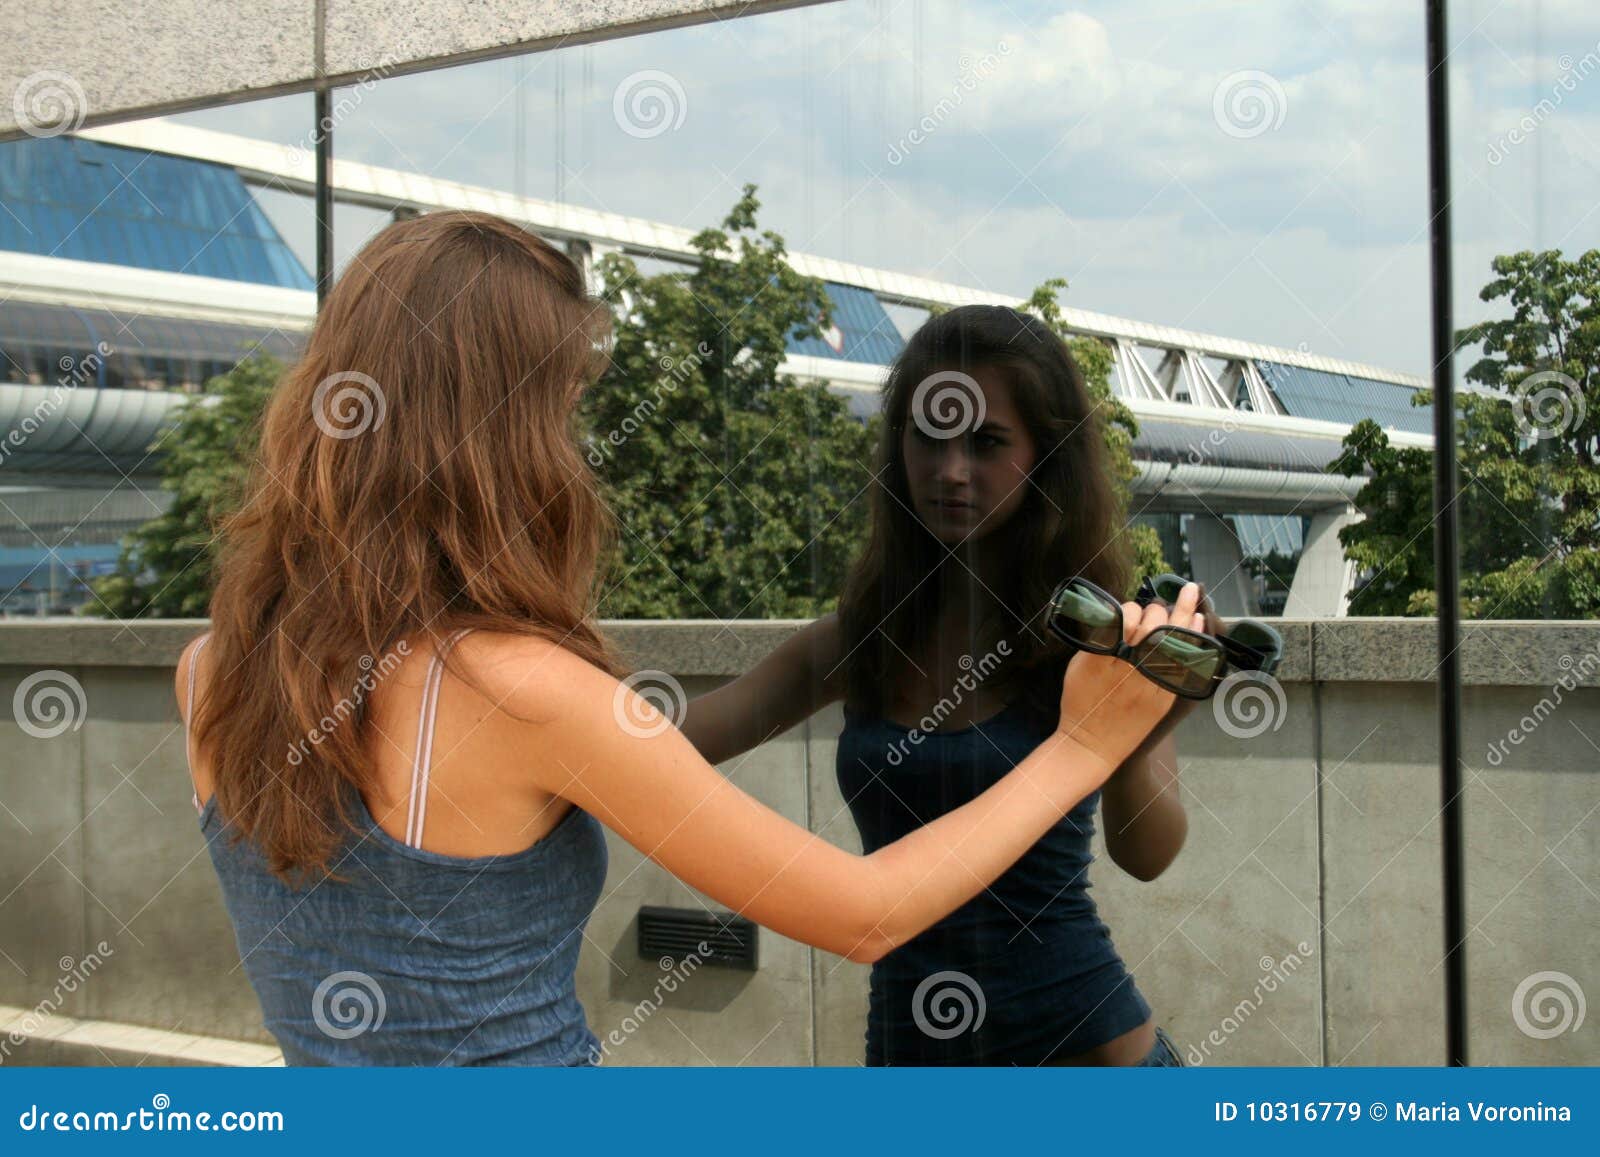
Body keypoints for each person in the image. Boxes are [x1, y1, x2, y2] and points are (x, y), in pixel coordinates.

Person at [176, 212, 1191, 1066]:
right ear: (500, 429)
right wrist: (1086, 742)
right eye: (562, 408)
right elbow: (863, 910)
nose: (571, 450)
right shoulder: (525, 688)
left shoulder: (209, 674)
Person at [679, 305, 1213, 1066]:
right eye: (928, 435)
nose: (950, 469)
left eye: (987, 442)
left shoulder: (1093, 640)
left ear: (1044, 459)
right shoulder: (861, 641)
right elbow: (656, 746)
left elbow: (1148, 853)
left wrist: (1145, 721)